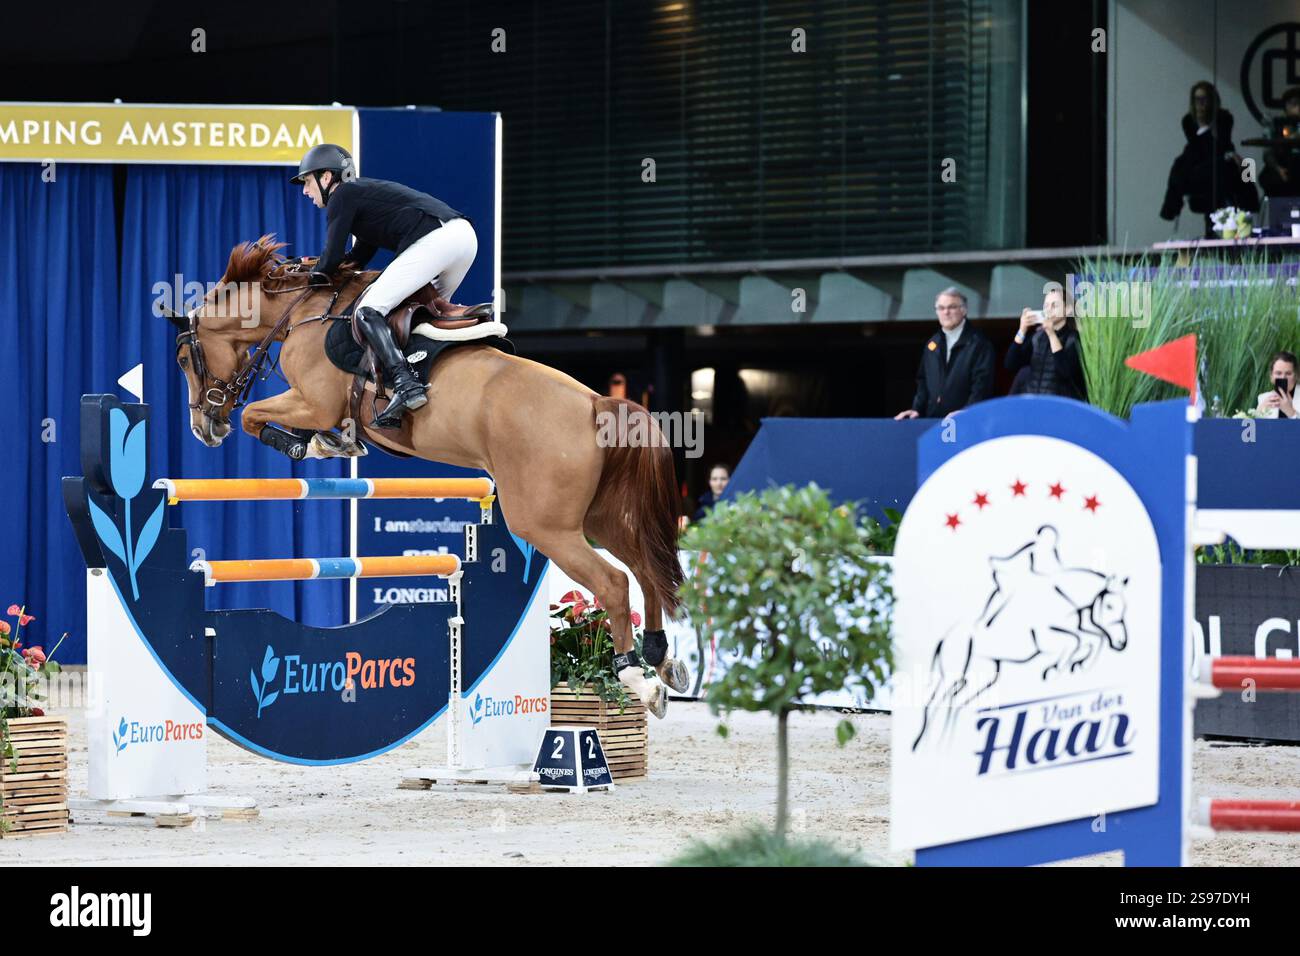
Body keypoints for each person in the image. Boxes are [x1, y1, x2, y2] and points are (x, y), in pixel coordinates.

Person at [292, 143, 482, 428]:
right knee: (417, 317)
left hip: (438, 241)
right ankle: (426, 378)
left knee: (368, 310)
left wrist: (304, 279)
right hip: (463, 240)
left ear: (327, 178)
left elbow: (330, 260)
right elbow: (357, 257)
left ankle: (406, 384)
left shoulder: (342, 196)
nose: (306, 191)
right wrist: (321, 266)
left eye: (307, 181)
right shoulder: (362, 198)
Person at [1160, 81, 1259, 235]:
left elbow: (1221, 142)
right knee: (1180, 165)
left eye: (1204, 99)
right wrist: (1209, 134)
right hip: (1197, 161)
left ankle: (1249, 207)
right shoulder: (1189, 121)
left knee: (1246, 165)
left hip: (1219, 157)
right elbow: (1198, 145)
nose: (1201, 104)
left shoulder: (1224, 117)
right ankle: (1172, 207)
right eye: (1197, 99)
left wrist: (1229, 152)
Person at [894, 288, 995, 419]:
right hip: (933, 422)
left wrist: (967, 412)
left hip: (967, 423)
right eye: (941, 308)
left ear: (964, 310)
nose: (946, 312)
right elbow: (923, 381)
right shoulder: (932, 344)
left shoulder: (979, 343)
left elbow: (982, 385)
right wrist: (916, 409)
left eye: (952, 307)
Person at [1005, 287, 1086, 401]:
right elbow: (1010, 364)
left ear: (1067, 309)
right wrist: (1022, 329)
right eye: (1046, 305)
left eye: (1054, 305)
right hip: (1036, 404)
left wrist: (1052, 334)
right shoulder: (1037, 337)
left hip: (1061, 407)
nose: (1049, 309)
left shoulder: (1074, 338)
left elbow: (1066, 372)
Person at [1261, 87, 1300, 199]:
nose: (1298, 108)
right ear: (1286, 106)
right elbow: (1268, 152)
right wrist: (1278, 168)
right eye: (1294, 104)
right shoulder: (1277, 124)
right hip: (1282, 168)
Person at [1255, 351, 1299, 419]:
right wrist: (1258, 413)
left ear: (1296, 376)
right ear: (1271, 377)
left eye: (1288, 373)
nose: (1283, 378)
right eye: (1278, 373)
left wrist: (1291, 412)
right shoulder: (1263, 398)